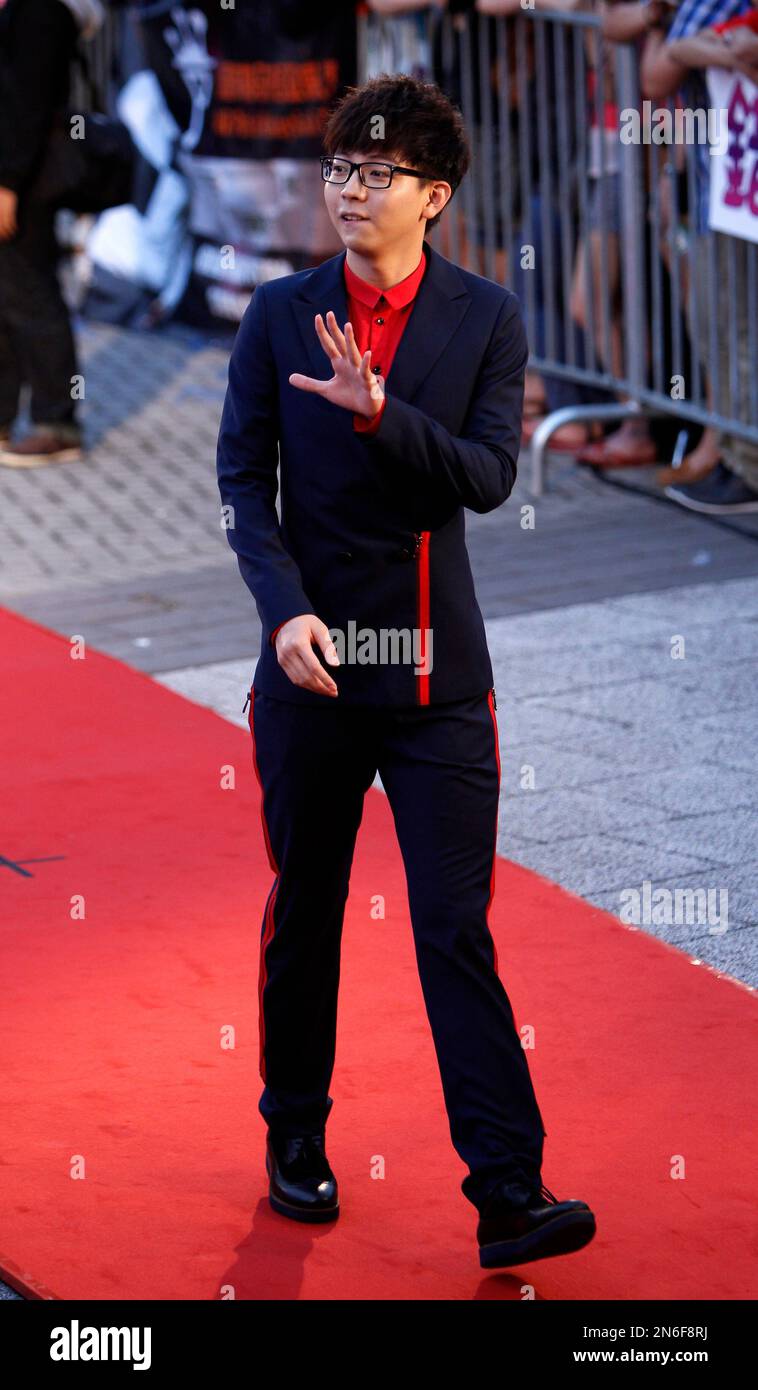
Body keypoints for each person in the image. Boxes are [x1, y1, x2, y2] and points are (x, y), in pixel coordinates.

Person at [216, 71, 596, 1269]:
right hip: (314, 671)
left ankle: (507, 1190)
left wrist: (382, 413)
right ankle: (294, 1134)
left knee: (453, 931)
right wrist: (279, 615)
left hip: (436, 681)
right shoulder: (278, 314)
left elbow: (488, 476)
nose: (345, 189)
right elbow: (241, 486)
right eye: (335, 169)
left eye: (371, 174)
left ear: (431, 196)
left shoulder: (484, 318)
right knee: (306, 915)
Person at [0, 0, 103, 468]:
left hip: (26, 181)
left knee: (30, 292)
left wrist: (7, 183)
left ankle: (56, 424)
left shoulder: (41, 10)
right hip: (19, 176)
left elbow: (28, 103)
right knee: (7, 296)